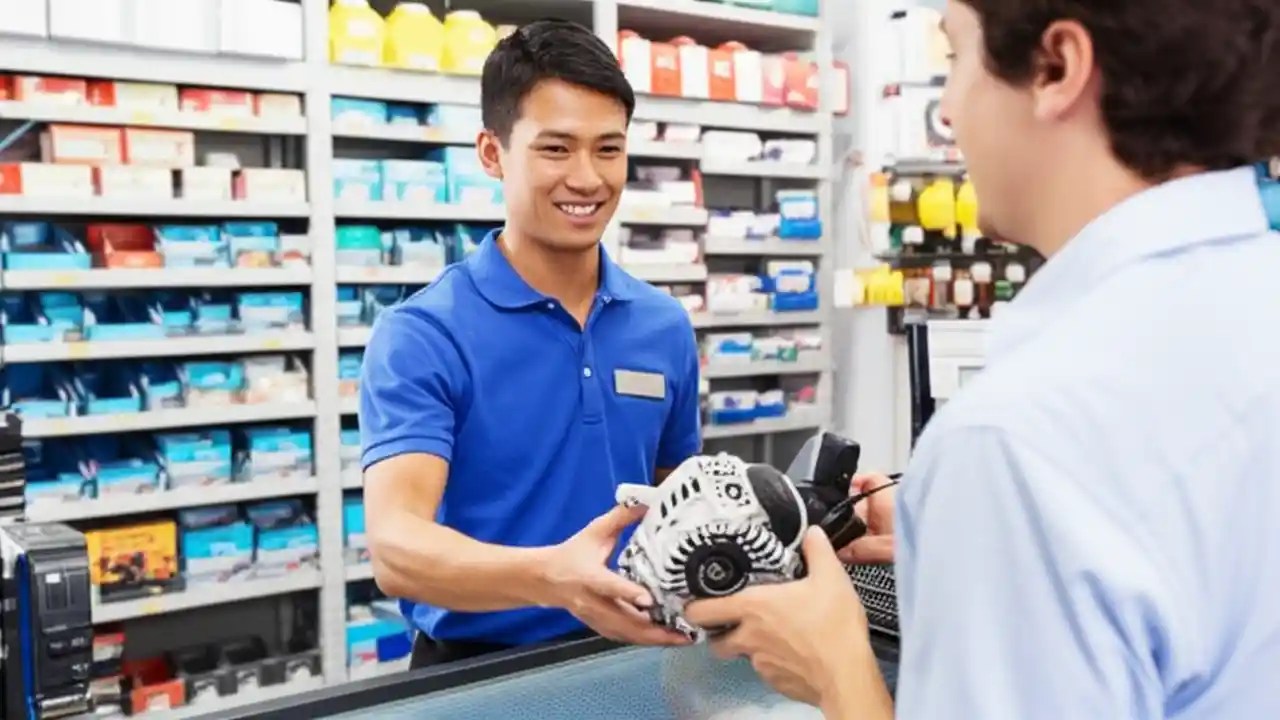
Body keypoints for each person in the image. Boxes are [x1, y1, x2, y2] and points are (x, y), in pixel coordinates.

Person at [684, 1, 1280, 718]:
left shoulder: (1020, 438)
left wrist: (835, 668)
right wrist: (972, 546)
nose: (947, 109)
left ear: (1057, 67)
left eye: (956, 56)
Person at [359, 18, 699, 668]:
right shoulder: (424, 334)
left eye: (608, 149)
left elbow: (679, 498)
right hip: (476, 675)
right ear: (492, 154)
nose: (588, 178)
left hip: (638, 657)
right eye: (556, 149)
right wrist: (553, 578)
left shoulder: (663, 325)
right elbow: (396, 548)